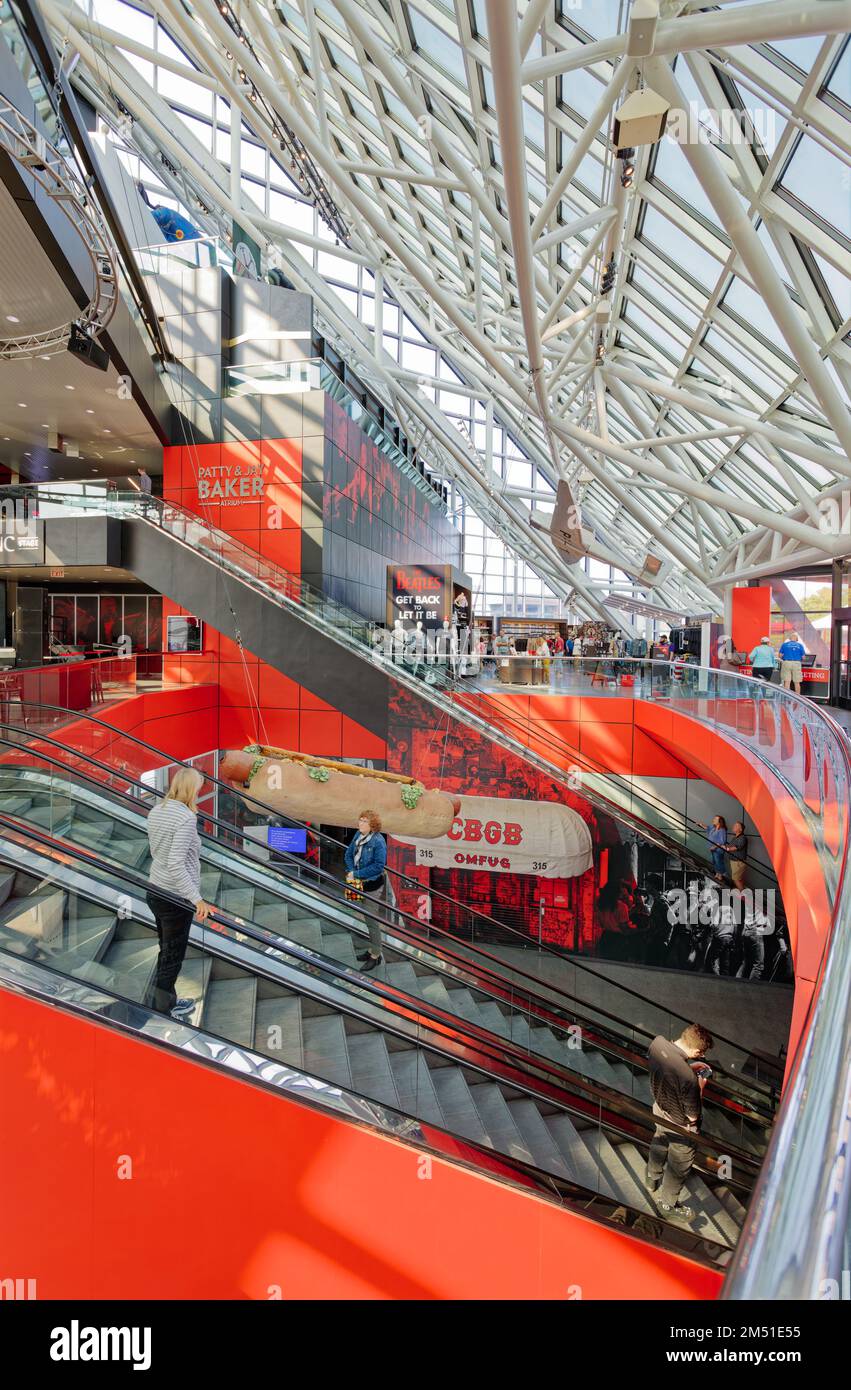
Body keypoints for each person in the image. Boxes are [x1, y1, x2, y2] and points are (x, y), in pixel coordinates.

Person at [145, 767, 212, 1018]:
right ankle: (163, 1010)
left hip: (155, 889)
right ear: (191, 788)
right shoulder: (185, 818)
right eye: (198, 787)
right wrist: (197, 899)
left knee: (166, 950)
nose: (199, 791)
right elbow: (175, 862)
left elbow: (159, 852)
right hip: (174, 898)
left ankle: (164, 1000)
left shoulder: (157, 810)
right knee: (172, 956)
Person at [646, 1023, 714, 1219]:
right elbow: (693, 1114)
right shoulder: (689, 1079)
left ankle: (652, 1177)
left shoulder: (657, 1043)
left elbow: (668, 1067)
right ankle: (667, 1205)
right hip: (680, 1125)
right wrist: (700, 1084)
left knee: (659, 1141)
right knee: (679, 1164)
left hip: (659, 1109)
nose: (700, 1057)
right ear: (696, 1050)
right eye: (700, 1054)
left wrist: (688, 1067)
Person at [344, 810, 388, 971]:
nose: (359, 823)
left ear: (372, 825)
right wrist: (351, 872)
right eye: (360, 820)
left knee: (371, 921)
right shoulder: (358, 835)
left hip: (372, 885)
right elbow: (348, 854)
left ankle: (376, 955)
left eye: (364, 821)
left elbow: (378, 866)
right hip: (356, 882)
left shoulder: (378, 841)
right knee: (360, 913)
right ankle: (372, 949)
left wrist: (356, 873)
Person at [703, 814, 728, 880]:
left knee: (719, 861)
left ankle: (721, 875)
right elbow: (707, 828)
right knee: (714, 861)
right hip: (712, 848)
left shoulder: (722, 830)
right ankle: (717, 873)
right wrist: (701, 825)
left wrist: (714, 846)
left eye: (715, 819)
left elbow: (722, 841)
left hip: (718, 849)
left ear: (720, 822)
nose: (713, 820)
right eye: (714, 818)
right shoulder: (713, 827)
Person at [726, 821, 748, 890]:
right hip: (734, 861)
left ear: (740, 830)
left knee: (736, 879)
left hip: (738, 862)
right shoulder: (734, 838)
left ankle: (744, 897)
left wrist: (727, 848)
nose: (734, 826)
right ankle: (743, 891)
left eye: (736, 826)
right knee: (739, 879)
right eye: (734, 825)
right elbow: (730, 846)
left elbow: (737, 847)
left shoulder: (743, 838)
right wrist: (725, 846)